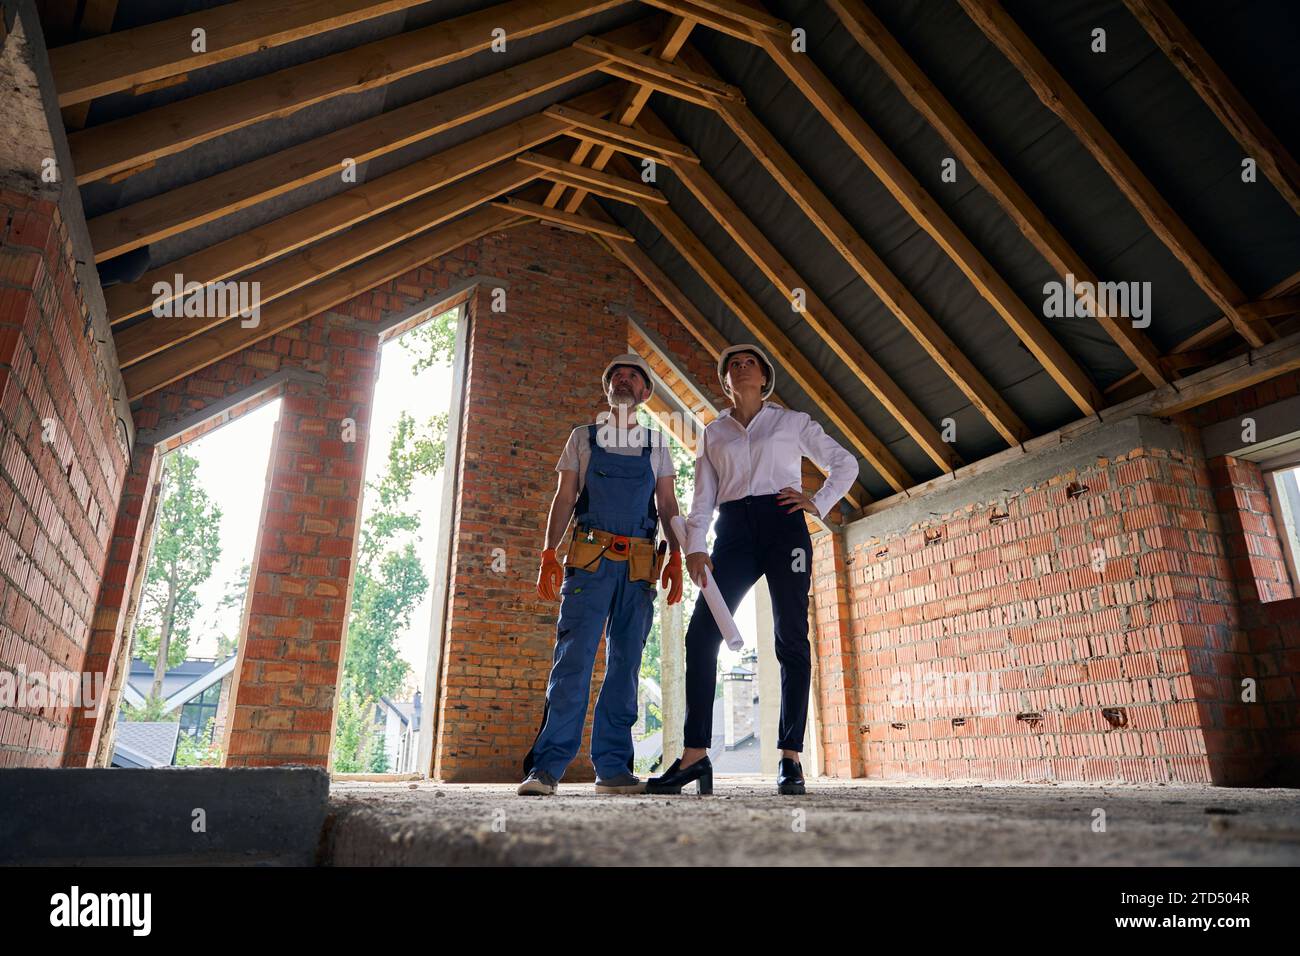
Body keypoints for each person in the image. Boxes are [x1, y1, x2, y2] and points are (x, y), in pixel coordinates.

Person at [646, 344, 858, 796]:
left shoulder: (792, 422)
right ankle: (695, 756)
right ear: (725, 382)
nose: (740, 369)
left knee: (791, 638)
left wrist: (817, 503)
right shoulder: (713, 433)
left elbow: (846, 463)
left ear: (765, 376)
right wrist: (696, 548)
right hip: (734, 532)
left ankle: (790, 758)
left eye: (749, 363)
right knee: (701, 635)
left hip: (784, 527)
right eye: (732, 366)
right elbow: (702, 499)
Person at [518, 354, 684, 795]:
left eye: (633, 376)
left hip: (640, 565)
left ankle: (612, 769)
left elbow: (668, 506)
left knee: (626, 665)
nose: (624, 380)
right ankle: (547, 768)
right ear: (608, 390)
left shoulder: (657, 444)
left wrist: (677, 556)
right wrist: (548, 553)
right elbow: (565, 496)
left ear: (646, 393)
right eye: (617, 376)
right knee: (573, 661)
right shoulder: (582, 438)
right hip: (589, 560)